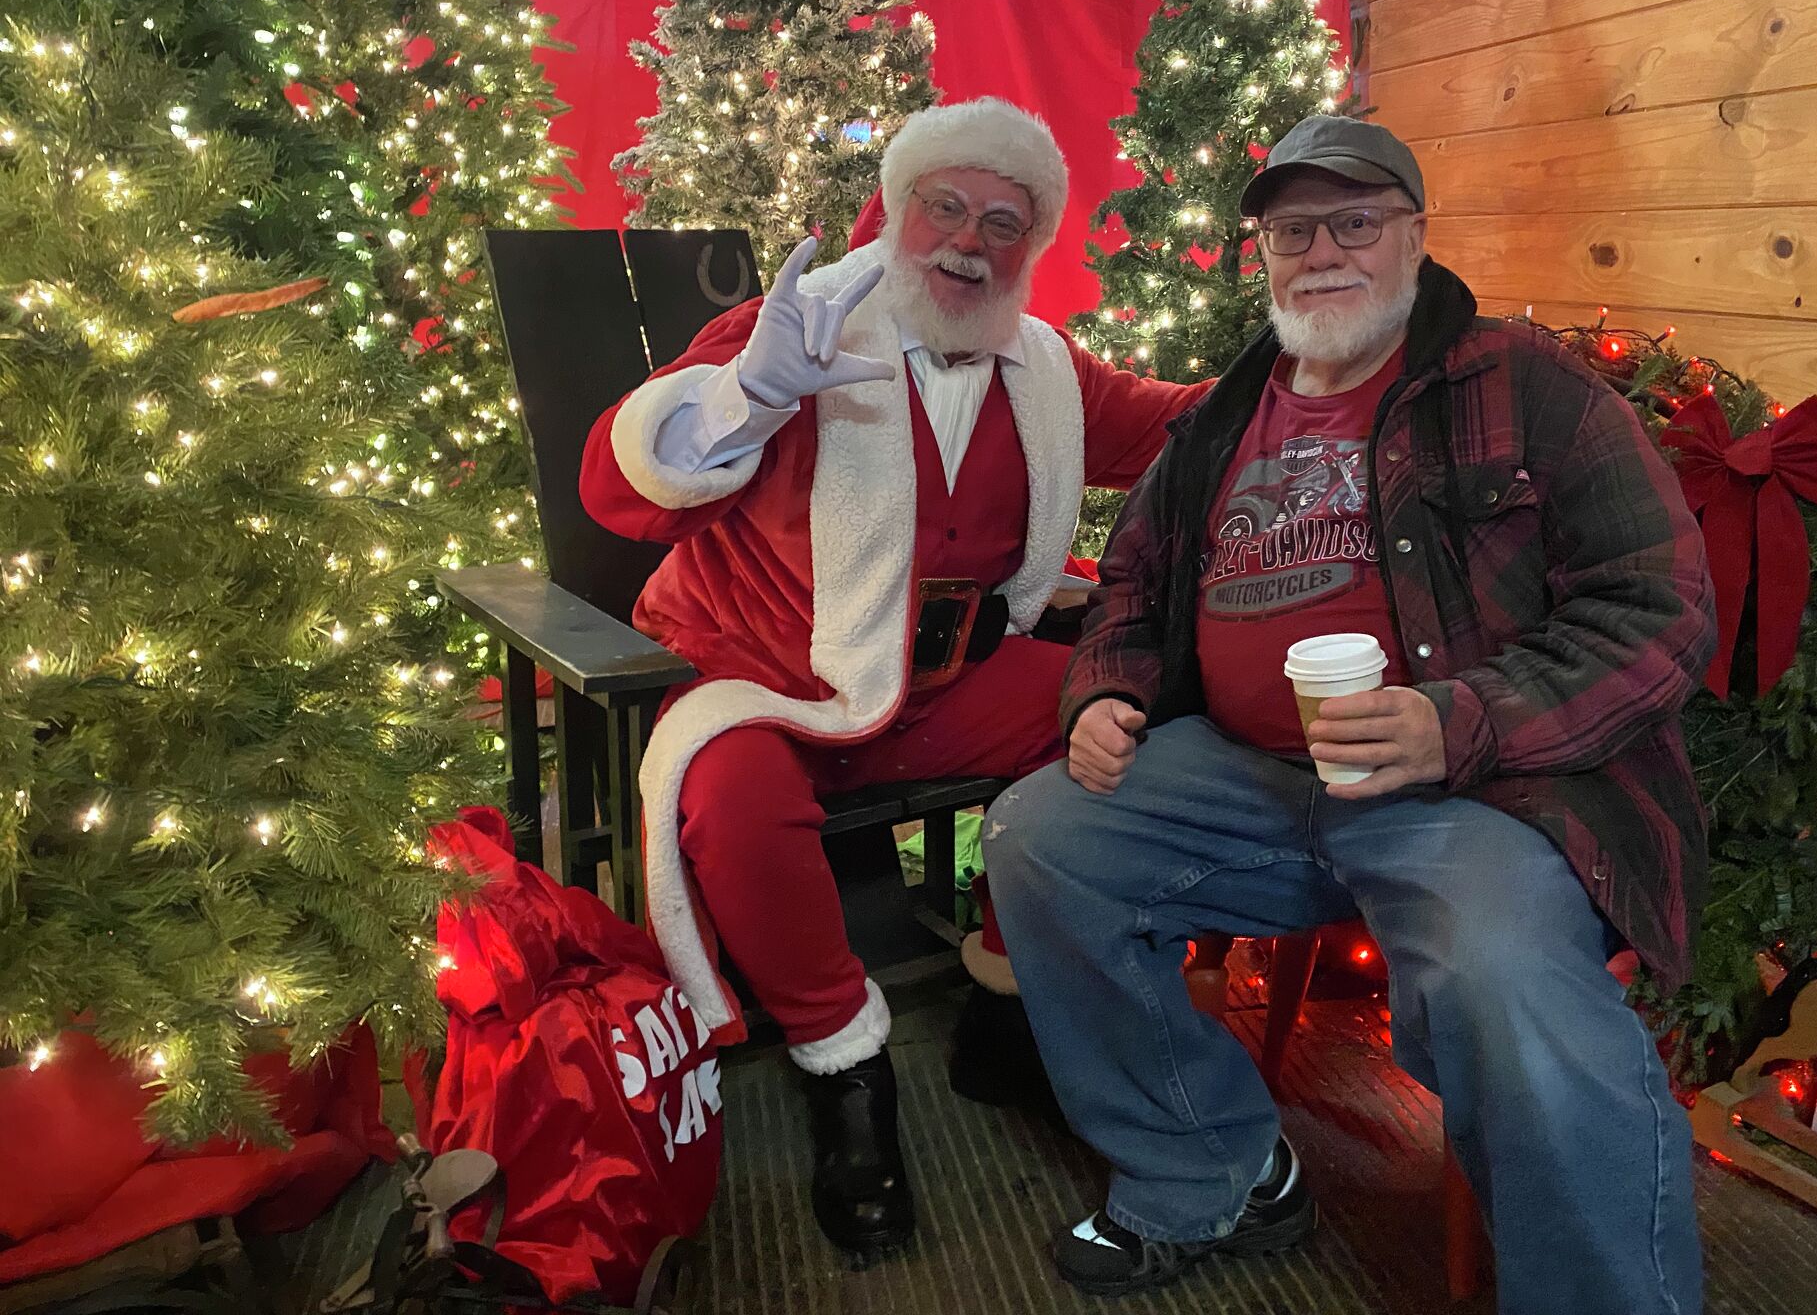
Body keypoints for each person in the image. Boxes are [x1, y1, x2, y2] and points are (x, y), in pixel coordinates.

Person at [983, 114, 1716, 1312]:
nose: (1322, 250)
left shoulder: (1524, 385)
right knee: (1041, 840)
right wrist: (1106, 688)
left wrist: (1457, 719)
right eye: (1290, 230)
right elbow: (1132, 579)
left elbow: (1660, 611)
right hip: (1243, 779)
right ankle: (1207, 1168)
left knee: (1506, 983)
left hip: (1470, 793)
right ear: (1261, 253)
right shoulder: (1225, 412)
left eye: (1355, 222)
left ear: (1414, 237)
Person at [579, 98, 1206, 1256]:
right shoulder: (799, 330)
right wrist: (747, 397)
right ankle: (848, 1079)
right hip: (770, 684)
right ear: (899, 210)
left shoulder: (1048, 370)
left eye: (1004, 221)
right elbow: (623, 488)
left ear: (1033, 246)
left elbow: (1186, 426)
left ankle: (1008, 1002)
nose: (970, 239)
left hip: (944, 691)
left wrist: (1315, 368)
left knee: (1127, 734)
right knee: (728, 799)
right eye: (947, 206)